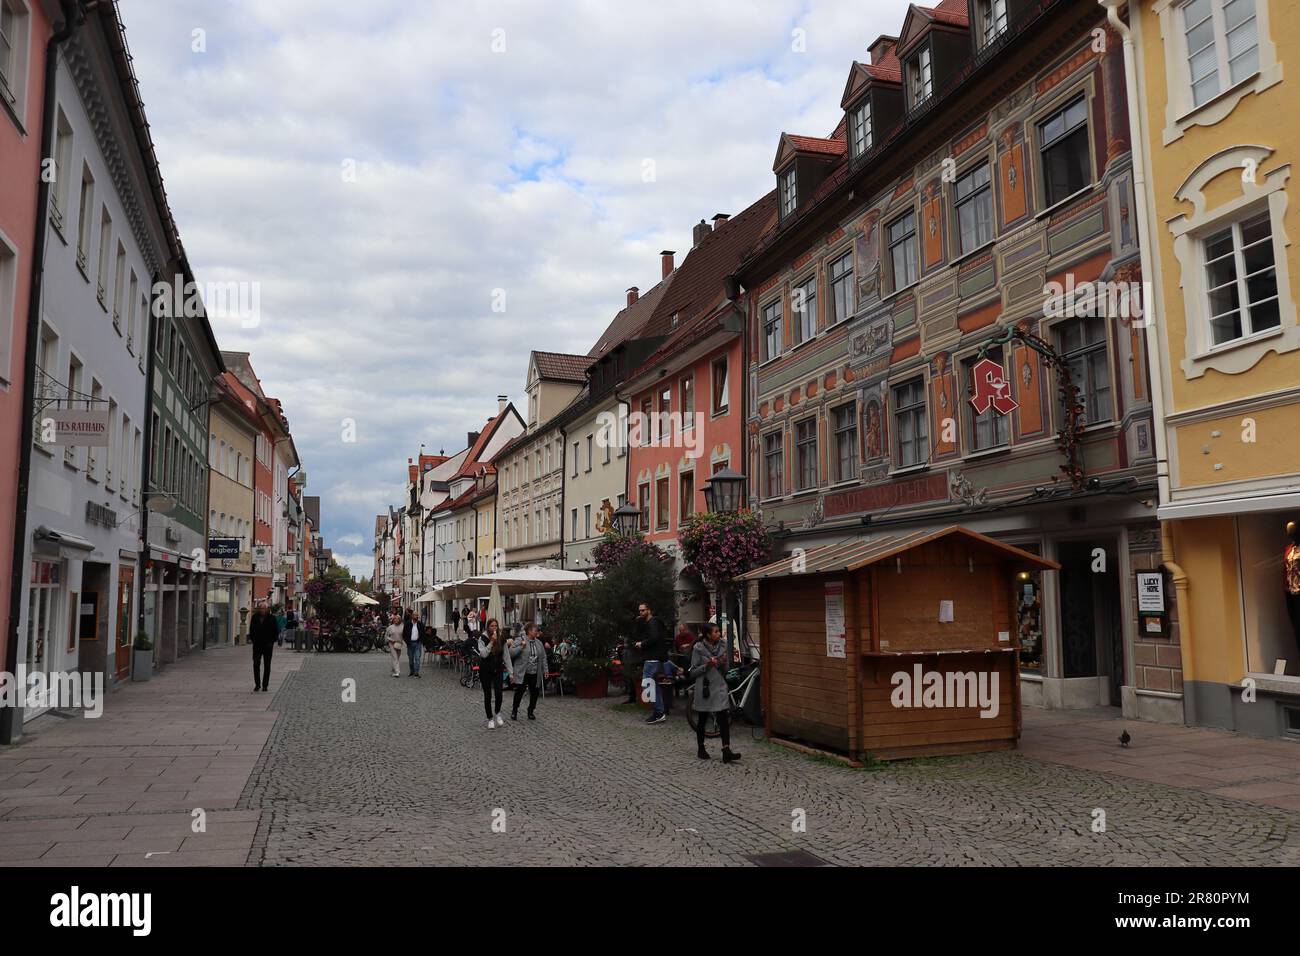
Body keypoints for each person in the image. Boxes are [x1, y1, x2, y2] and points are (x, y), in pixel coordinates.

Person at [689, 624, 740, 763]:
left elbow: (725, 669)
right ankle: (701, 748)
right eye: (716, 631)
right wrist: (707, 665)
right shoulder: (698, 649)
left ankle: (726, 750)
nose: (719, 633)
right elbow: (693, 671)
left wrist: (723, 663)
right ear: (708, 635)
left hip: (719, 686)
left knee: (723, 717)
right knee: (703, 719)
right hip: (705, 686)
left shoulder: (723, 646)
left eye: (718, 631)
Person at [633, 602, 673, 724]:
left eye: (643, 610)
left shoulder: (653, 623)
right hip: (653, 657)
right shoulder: (651, 623)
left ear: (649, 610)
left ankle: (659, 712)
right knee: (653, 685)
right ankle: (659, 712)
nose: (641, 613)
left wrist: (642, 644)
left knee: (647, 685)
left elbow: (654, 638)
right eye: (639, 611)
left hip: (652, 658)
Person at [507, 622, 548, 721]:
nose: (537, 632)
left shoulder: (539, 643)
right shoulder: (520, 640)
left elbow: (543, 657)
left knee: (534, 692)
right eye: (536, 630)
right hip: (523, 671)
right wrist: (521, 647)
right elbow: (510, 653)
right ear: (529, 631)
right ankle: (514, 710)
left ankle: (531, 711)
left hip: (535, 672)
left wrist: (545, 670)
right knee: (520, 691)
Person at [478, 618, 507, 728]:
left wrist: (511, 672)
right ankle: (490, 718)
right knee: (488, 695)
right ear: (488, 627)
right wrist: (491, 642)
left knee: (499, 693)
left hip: (498, 669)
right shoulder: (482, 638)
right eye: (492, 626)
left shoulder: (502, 638)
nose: (494, 628)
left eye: (496, 626)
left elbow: (506, 656)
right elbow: (483, 654)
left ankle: (498, 712)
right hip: (485, 670)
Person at [249, 601, 280, 693]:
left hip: (268, 645)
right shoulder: (255, 617)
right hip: (257, 645)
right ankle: (257, 684)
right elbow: (251, 630)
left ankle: (265, 685)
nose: (262, 610)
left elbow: (276, 631)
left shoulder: (272, 618)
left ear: (267, 609)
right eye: (261, 608)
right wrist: (253, 640)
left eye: (264, 608)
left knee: (267, 665)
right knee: (256, 663)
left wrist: (272, 642)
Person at [402, 607, 423, 677]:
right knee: (411, 659)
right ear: (412, 616)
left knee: (417, 658)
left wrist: (421, 640)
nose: (416, 616)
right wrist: (407, 642)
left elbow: (423, 633)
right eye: (415, 615)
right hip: (410, 643)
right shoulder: (408, 624)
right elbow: (404, 634)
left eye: (417, 615)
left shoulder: (420, 624)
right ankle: (412, 671)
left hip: (417, 643)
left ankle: (416, 672)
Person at [384, 612, 404, 678]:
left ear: (400, 620)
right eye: (395, 619)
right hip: (392, 644)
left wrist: (403, 641)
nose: (396, 620)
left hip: (399, 644)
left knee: (397, 658)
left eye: (397, 619)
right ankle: (397, 672)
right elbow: (386, 636)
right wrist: (390, 640)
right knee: (395, 657)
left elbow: (405, 635)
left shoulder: (402, 626)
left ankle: (393, 669)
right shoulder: (390, 627)